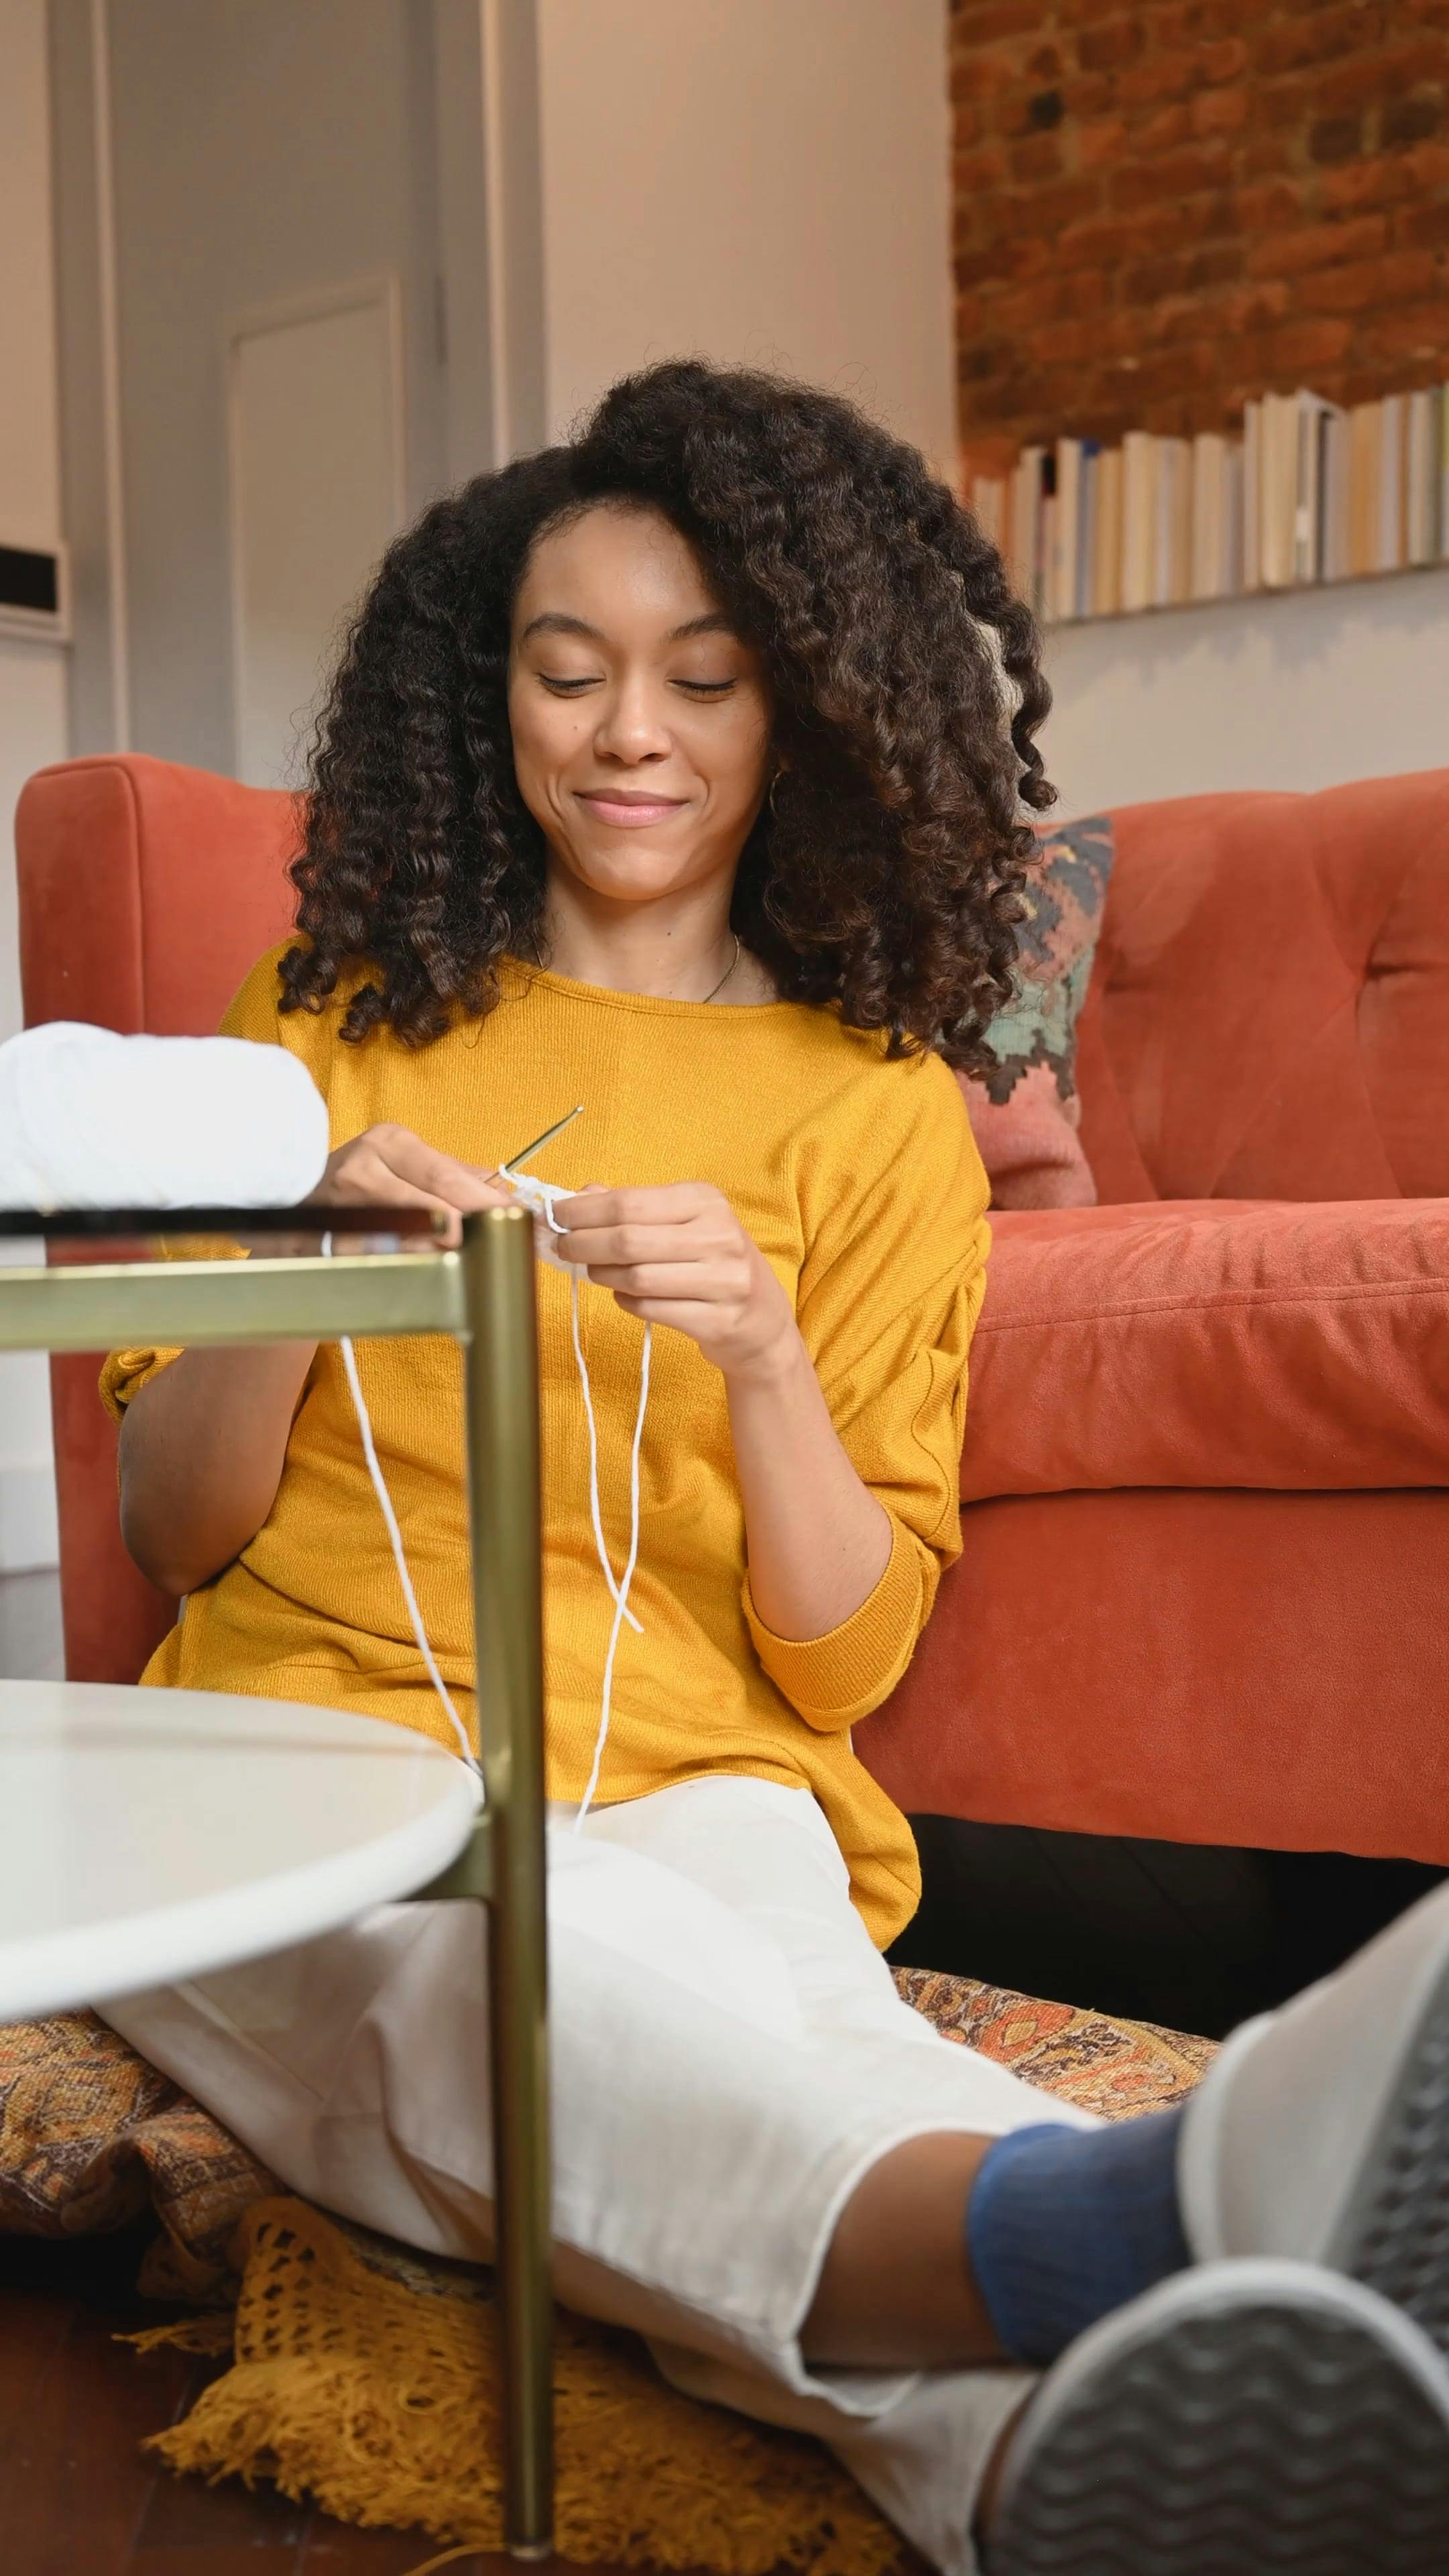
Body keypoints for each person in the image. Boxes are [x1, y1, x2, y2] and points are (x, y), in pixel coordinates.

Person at [100, 362, 1449, 2575]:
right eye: (569, 671)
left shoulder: (878, 1110)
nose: (630, 733)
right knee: (491, 1998)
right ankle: (1171, 2213)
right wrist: (314, 1257)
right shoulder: (326, 1015)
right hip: (298, 1783)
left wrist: (761, 1362)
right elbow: (176, 1530)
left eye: (704, 678)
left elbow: (837, 1661)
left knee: (784, 2061)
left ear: (799, 712)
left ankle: (1039, 2474)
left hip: (714, 1794)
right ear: (489, 697)